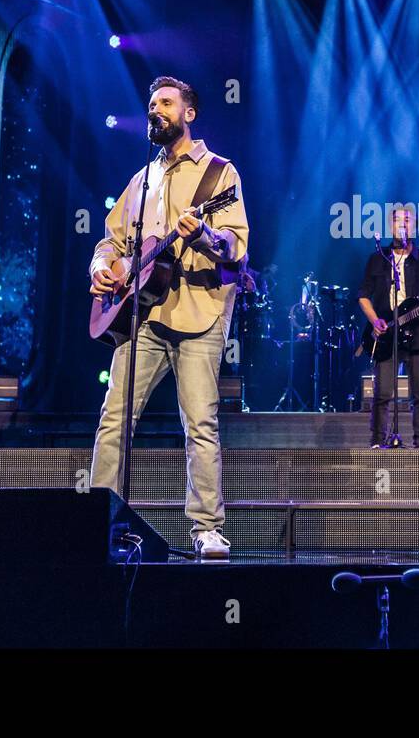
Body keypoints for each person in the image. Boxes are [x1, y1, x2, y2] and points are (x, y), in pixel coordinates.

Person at [89, 76, 249, 559]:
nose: (155, 109)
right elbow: (110, 241)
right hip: (142, 315)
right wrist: (102, 269)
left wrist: (201, 234)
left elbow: (235, 247)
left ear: (188, 113)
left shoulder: (219, 173)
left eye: (165, 103)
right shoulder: (142, 179)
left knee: (200, 423)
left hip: (199, 313)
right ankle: (99, 519)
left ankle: (206, 529)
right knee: (113, 419)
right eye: (151, 103)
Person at [357, 206, 419, 448]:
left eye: (408, 220)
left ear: (414, 226)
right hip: (387, 335)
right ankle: (377, 442)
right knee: (383, 393)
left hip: (417, 334)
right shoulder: (378, 259)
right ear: (390, 226)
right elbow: (363, 295)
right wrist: (375, 320)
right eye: (398, 220)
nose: (403, 224)